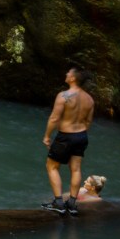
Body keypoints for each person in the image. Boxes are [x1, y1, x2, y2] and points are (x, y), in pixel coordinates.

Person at [41, 65, 95, 216]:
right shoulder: (90, 99)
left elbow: (54, 118)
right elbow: (88, 122)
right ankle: (72, 204)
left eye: (68, 73)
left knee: (52, 166)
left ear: (72, 78)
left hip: (65, 136)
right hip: (82, 136)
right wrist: (79, 134)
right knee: (76, 169)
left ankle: (58, 203)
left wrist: (47, 136)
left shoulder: (63, 95)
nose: (66, 73)